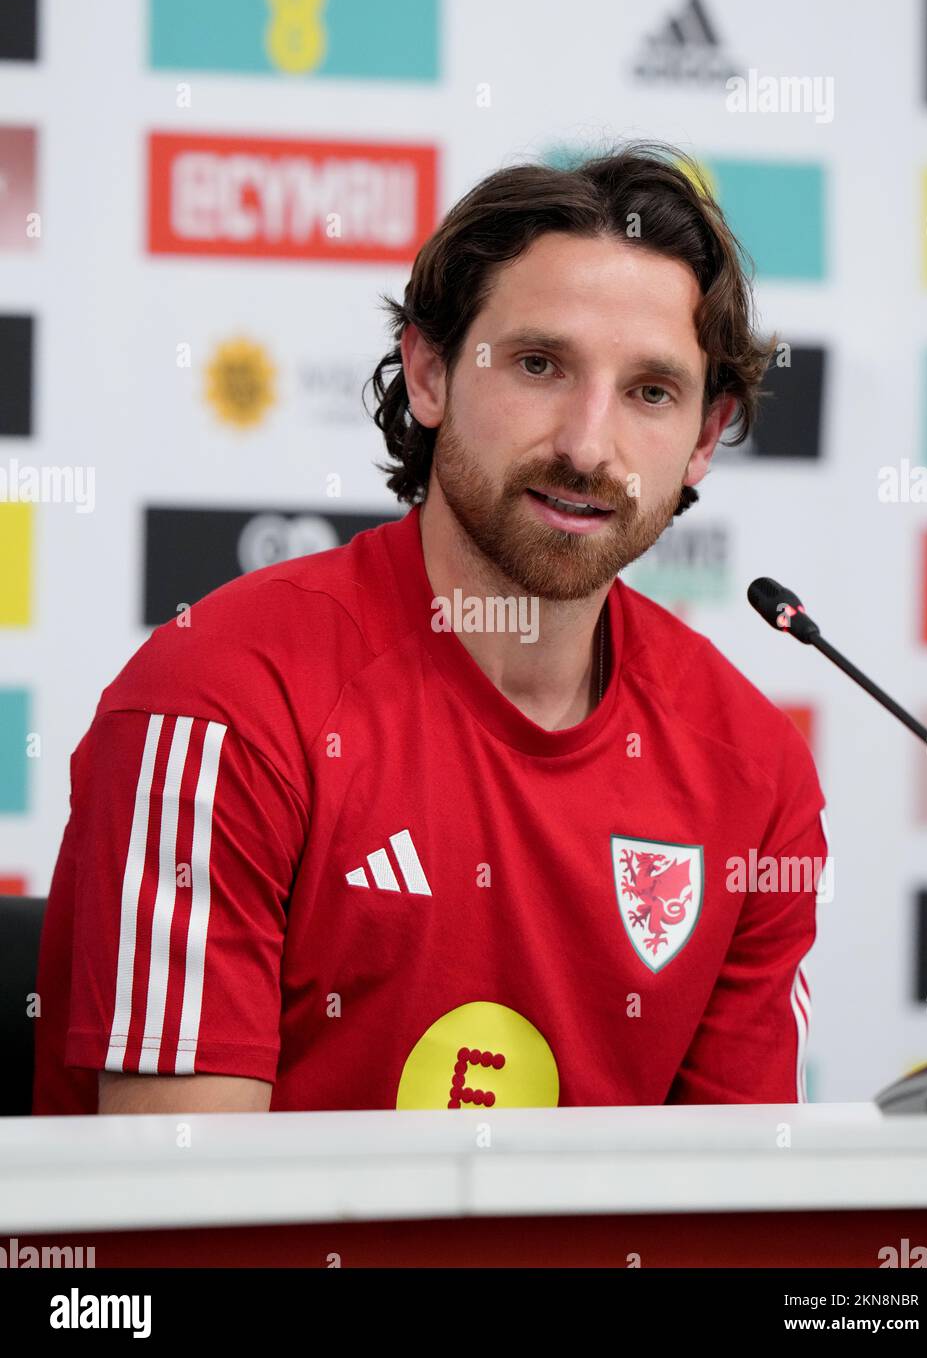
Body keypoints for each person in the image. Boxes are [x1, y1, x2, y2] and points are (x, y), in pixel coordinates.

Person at [33, 141, 826, 1115]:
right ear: (430, 371)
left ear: (705, 437)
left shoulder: (752, 767)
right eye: (539, 365)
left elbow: (728, 1220)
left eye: (650, 392)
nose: (587, 445)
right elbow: (183, 1218)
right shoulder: (224, 697)